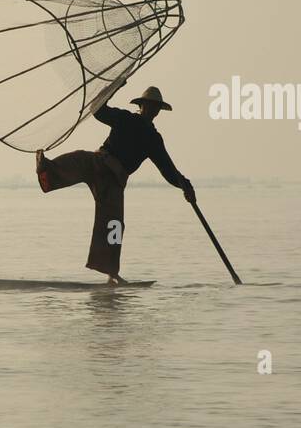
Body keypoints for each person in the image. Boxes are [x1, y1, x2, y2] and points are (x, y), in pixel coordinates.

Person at [34, 81, 195, 284]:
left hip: (110, 177)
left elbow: (168, 170)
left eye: (155, 107)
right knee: (78, 160)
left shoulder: (152, 137)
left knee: (114, 225)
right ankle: (46, 169)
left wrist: (185, 185)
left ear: (157, 111)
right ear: (142, 106)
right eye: (150, 106)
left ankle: (112, 273)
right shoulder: (127, 119)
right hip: (101, 166)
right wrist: (114, 86)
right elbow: (98, 111)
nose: (152, 110)